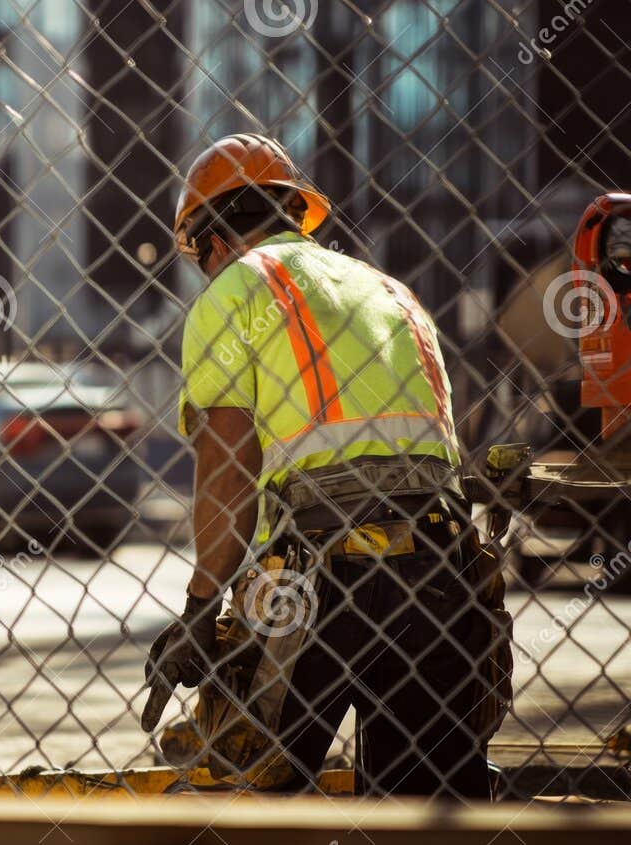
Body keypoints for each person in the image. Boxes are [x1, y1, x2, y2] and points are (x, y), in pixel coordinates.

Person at [144, 133, 502, 800]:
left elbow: (228, 465)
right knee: (426, 814)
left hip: (317, 570)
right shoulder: (393, 293)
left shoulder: (235, 292)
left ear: (210, 239)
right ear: (292, 214)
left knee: (248, 787)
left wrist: (201, 603)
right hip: (443, 565)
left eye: (198, 256)